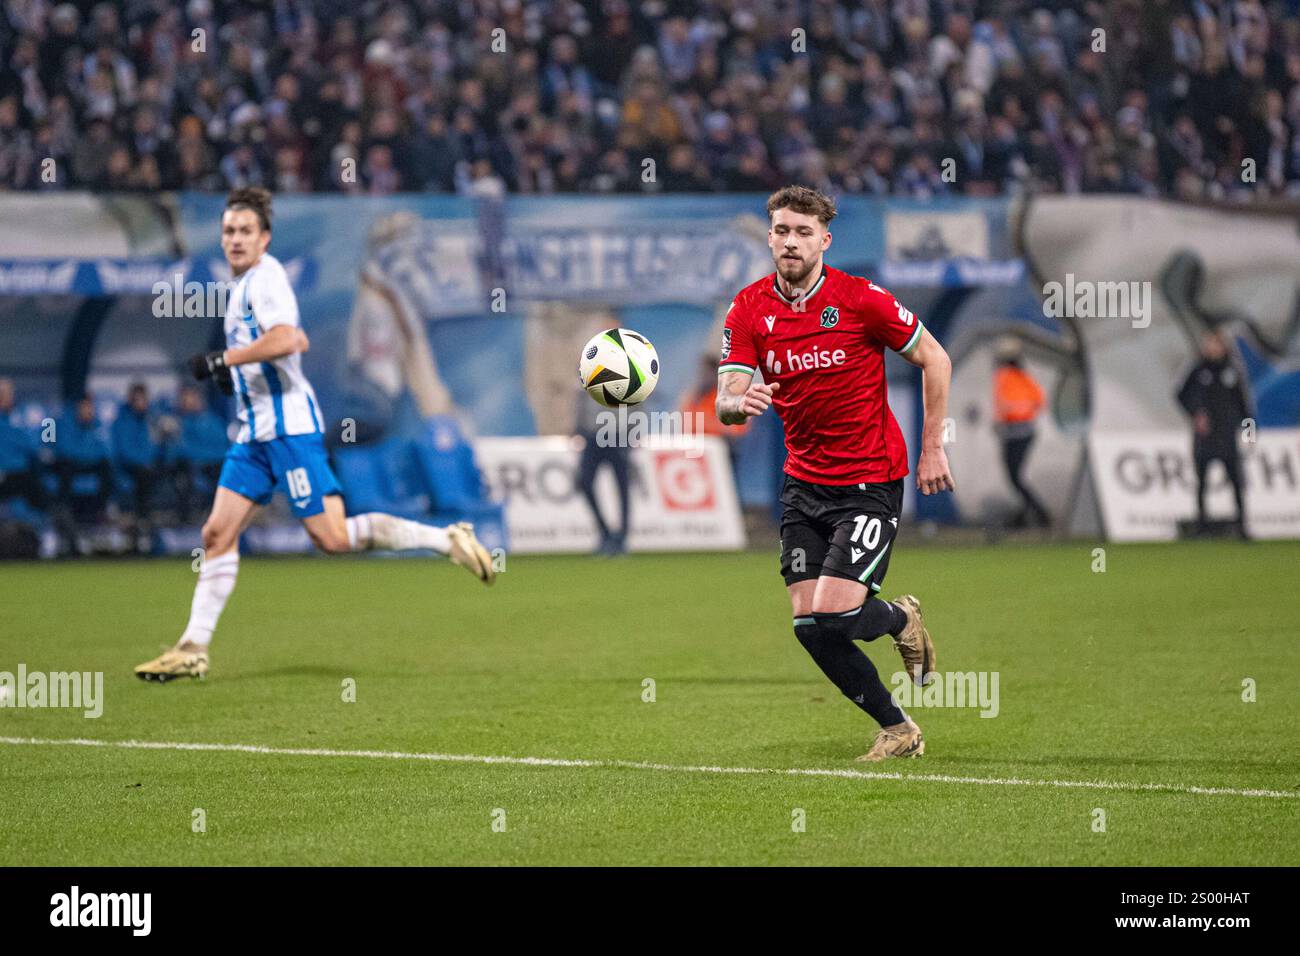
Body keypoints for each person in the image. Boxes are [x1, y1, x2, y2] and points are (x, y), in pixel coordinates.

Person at [134, 188, 496, 683]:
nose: (235, 239)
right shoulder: (239, 287)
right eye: (228, 231)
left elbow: (291, 339)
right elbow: (267, 350)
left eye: (245, 231)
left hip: (289, 430)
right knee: (217, 533)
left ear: (264, 238)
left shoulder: (267, 280)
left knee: (331, 536)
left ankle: (445, 538)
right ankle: (193, 647)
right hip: (255, 433)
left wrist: (226, 359)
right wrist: (234, 377)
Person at [716, 185, 954, 762]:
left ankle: (900, 618)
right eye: (781, 230)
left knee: (838, 611)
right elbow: (728, 394)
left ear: (825, 239)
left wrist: (932, 448)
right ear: (769, 235)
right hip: (803, 484)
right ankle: (899, 729)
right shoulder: (748, 307)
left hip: (869, 480)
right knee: (809, 626)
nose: (790, 241)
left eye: (803, 232)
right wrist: (737, 403)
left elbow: (935, 358)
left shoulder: (860, 300)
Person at [1176, 329, 1251, 537]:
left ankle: (1242, 525)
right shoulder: (1198, 370)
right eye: (1209, 343)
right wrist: (1195, 414)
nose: (1212, 348)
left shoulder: (1233, 370)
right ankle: (1202, 526)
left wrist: (1249, 434)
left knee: (1236, 480)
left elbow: (1244, 405)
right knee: (1202, 482)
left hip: (1227, 434)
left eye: (1216, 343)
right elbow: (1180, 395)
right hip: (1204, 436)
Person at [992, 337, 1050, 528]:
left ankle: (1038, 512)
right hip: (1022, 431)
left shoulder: (1006, 376)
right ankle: (1029, 511)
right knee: (1015, 476)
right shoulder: (1022, 376)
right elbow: (1039, 400)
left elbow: (1006, 405)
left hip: (1017, 431)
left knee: (1014, 475)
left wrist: (1009, 415)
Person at [168, 385, 229, 523]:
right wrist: (200, 456)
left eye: (191, 397)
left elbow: (222, 448)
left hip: (212, 465)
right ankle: (186, 519)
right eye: (184, 398)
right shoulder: (177, 423)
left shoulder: (212, 421)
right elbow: (178, 450)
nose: (188, 402)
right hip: (190, 466)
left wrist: (203, 456)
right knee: (183, 474)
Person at [54, 394, 113, 530]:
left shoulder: (98, 426)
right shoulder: (62, 423)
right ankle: (64, 511)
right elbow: (64, 450)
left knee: (107, 468)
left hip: (91, 463)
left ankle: (102, 510)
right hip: (73, 463)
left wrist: (88, 456)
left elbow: (105, 451)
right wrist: (85, 455)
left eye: (89, 407)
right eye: (83, 407)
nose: (87, 411)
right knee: (64, 468)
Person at [111, 382, 163, 533]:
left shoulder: (153, 421)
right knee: (143, 475)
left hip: (150, 466)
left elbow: (159, 448)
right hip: (130, 467)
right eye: (137, 400)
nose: (141, 404)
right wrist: (145, 461)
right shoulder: (122, 423)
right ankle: (144, 520)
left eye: (143, 399)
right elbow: (123, 451)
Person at [0, 378, 43, 511]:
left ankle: (46, 526)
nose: (6, 398)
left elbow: (33, 447)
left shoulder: (19, 419)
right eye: (2, 394)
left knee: (37, 487)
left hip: (18, 473)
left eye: (8, 394)